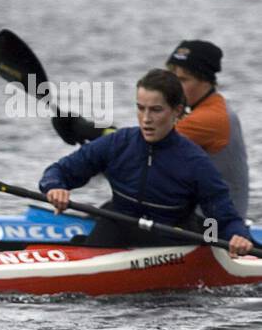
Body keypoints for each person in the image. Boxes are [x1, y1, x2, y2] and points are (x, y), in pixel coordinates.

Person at [41, 68, 253, 256]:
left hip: (171, 238)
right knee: (111, 217)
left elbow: (226, 217)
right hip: (120, 224)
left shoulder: (195, 162)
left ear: (177, 111)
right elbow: (59, 171)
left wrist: (238, 235)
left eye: (156, 110)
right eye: (141, 108)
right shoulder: (118, 143)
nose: (146, 119)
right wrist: (55, 187)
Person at [166, 39, 249, 219]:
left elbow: (138, 148)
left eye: (182, 80)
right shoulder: (215, 105)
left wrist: (98, 133)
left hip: (214, 228)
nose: (172, 87)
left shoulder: (208, 119)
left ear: (205, 81)